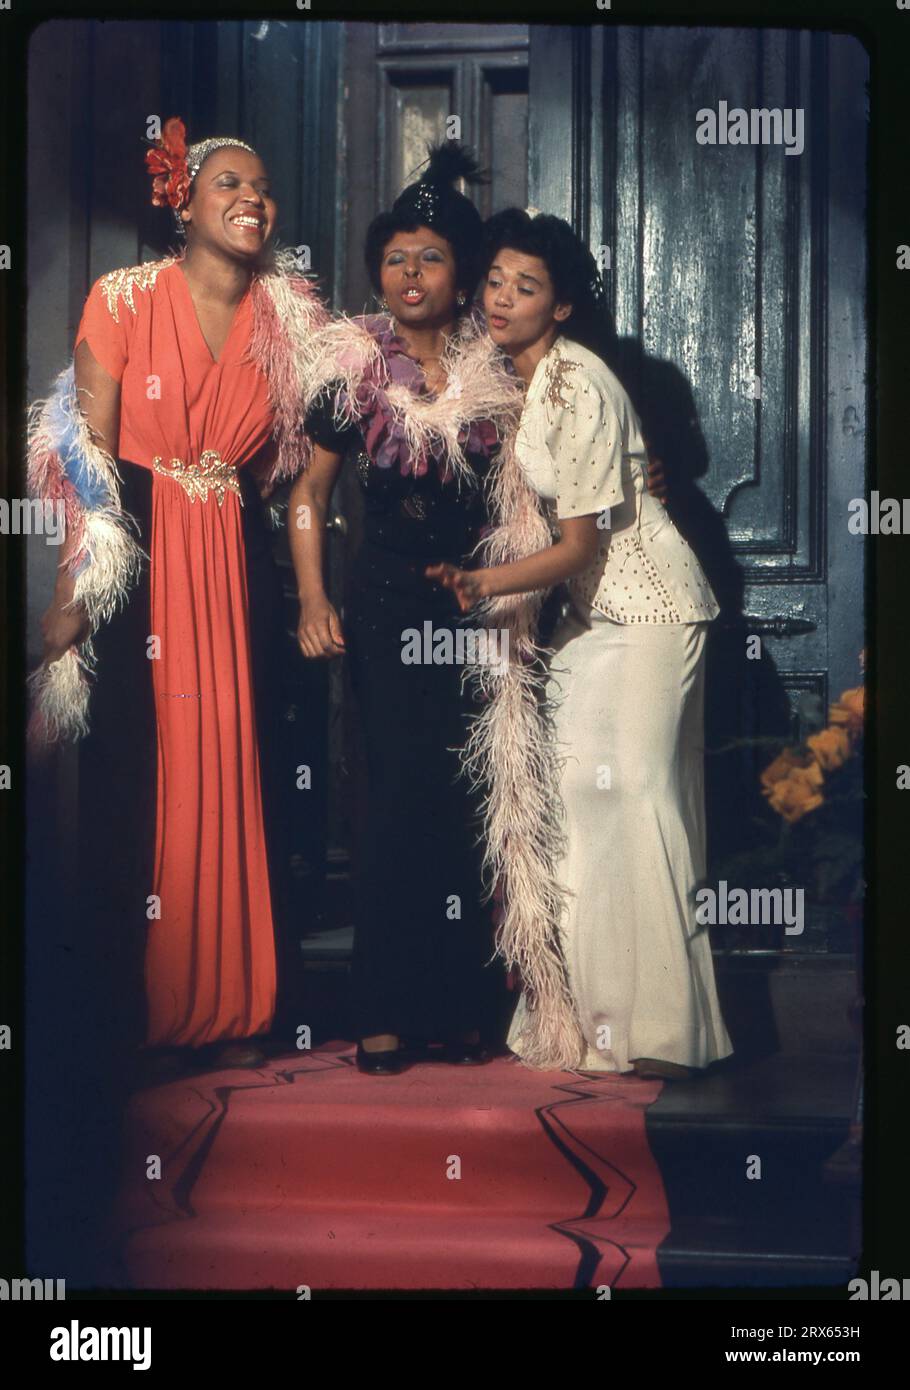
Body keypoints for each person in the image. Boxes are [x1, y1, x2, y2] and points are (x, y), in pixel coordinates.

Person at [28, 117, 327, 1073]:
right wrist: (79, 586)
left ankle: (233, 1008)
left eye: (264, 187)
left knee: (235, 761)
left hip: (232, 546)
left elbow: (321, 441)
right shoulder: (122, 297)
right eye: (230, 182)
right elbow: (87, 458)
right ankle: (140, 1010)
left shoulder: (290, 322)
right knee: (142, 772)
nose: (253, 199)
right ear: (184, 201)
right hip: (142, 541)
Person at [429, 209, 734, 1079]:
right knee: (571, 804)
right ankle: (582, 1028)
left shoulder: (576, 382)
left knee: (640, 794)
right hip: (586, 620)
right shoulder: (507, 377)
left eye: (525, 289)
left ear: (560, 307)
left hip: (652, 610)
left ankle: (668, 1033)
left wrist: (480, 583)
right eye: (494, 281)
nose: (500, 298)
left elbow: (579, 547)